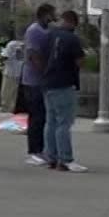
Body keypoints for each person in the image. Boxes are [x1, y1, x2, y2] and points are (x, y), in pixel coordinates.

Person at [42, 10, 88, 172]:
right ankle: (65, 159)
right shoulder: (72, 39)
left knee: (51, 121)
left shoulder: (49, 35)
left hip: (48, 81)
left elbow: (41, 55)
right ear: (73, 23)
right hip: (64, 82)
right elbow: (80, 61)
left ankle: (51, 157)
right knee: (64, 122)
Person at [21, 5, 58, 165]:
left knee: (43, 116)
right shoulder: (34, 31)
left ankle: (41, 149)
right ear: (45, 15)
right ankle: (34, 151)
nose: (55, 16)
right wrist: (44, 73)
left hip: (40, 81)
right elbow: (33, 55)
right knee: (37, 117)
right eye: (52, 14)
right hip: (34, 81)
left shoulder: (46, 31)